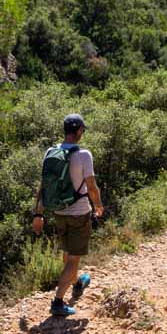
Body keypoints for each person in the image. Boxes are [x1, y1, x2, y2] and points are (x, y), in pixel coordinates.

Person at [32, 113, 104, 317]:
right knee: (73, 259)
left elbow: (43, 186)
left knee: (68, 252)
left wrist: (38, 214)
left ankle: (79, 282)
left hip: (58, 212)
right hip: (79, 213)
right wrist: (98, 205)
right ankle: (58, 301)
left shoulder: (50, 152)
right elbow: (91, 186)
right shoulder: (83, 155)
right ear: (79, 130)